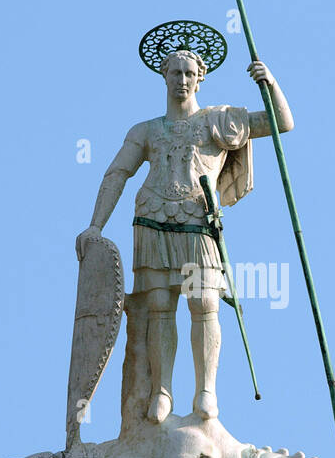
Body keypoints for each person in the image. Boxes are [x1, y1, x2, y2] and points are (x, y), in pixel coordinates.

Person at [76, 49, 292, 422]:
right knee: (159, 306)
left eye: (189, 73)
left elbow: (281, 122)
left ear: (200, 77)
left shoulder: (218, 121)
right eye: (174, 72)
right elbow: (117, 174)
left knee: (204, 302)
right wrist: (95, 225)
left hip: (198, 217)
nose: (181, 79)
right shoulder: (145, 130)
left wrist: (268, 83)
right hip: (152, 219)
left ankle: (206, 391)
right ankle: (162, 391)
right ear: (164, 76)